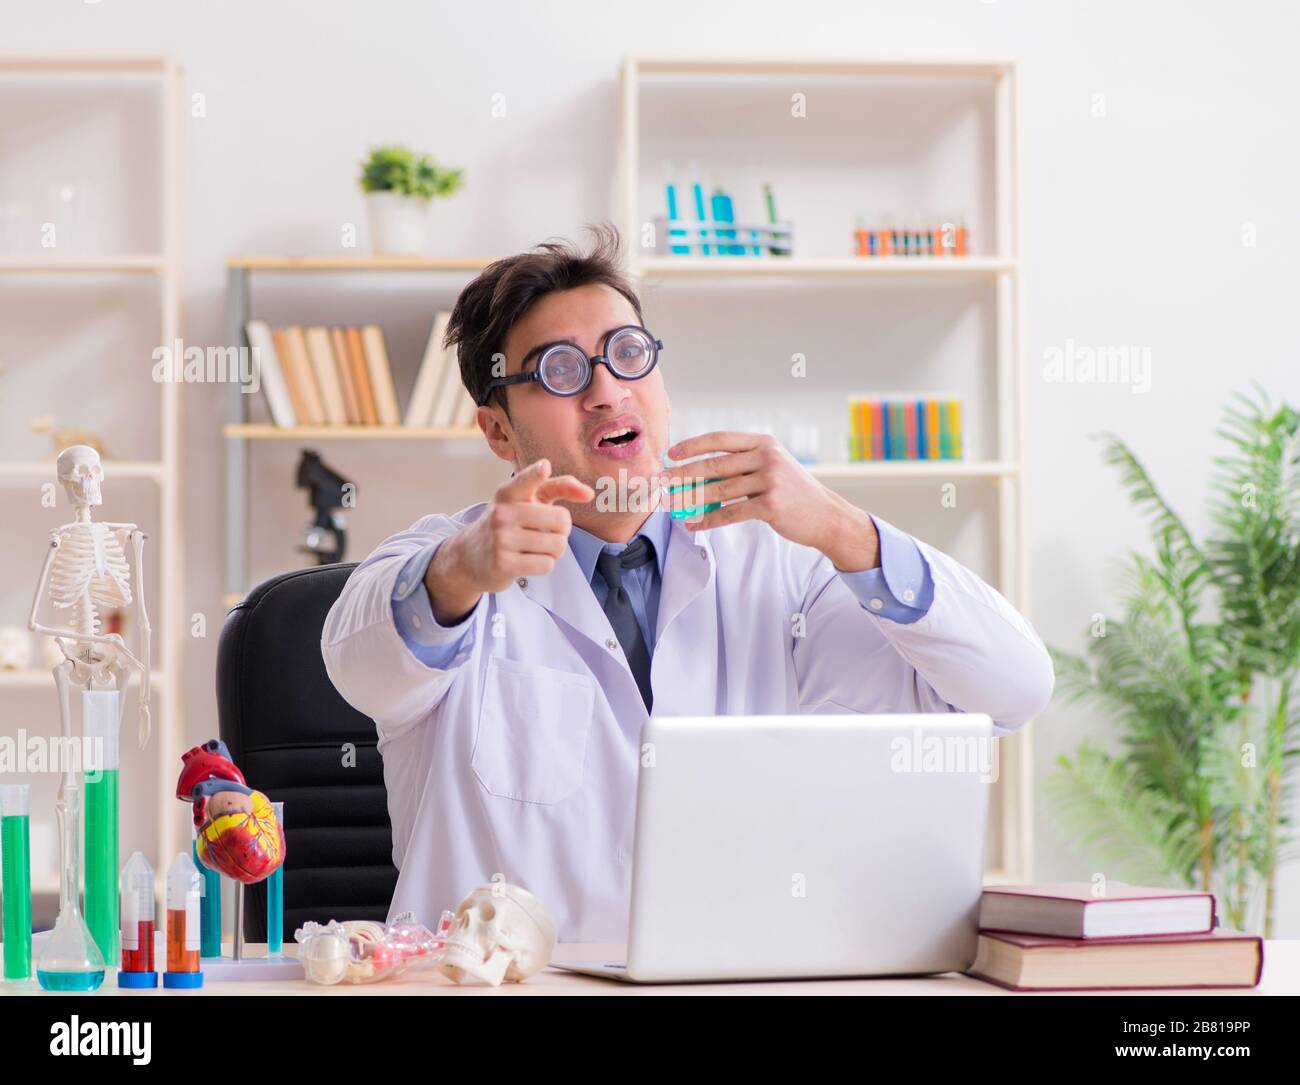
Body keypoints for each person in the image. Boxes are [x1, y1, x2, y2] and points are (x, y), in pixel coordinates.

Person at [321, 224, 1054, 942]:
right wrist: (462, 567)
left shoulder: (780, 567)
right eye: (559, 370)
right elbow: (361, 667)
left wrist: (840, 527)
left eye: (628, 353)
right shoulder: (445, 568)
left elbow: (1013, 688)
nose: (608, 389)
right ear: (499, 431)